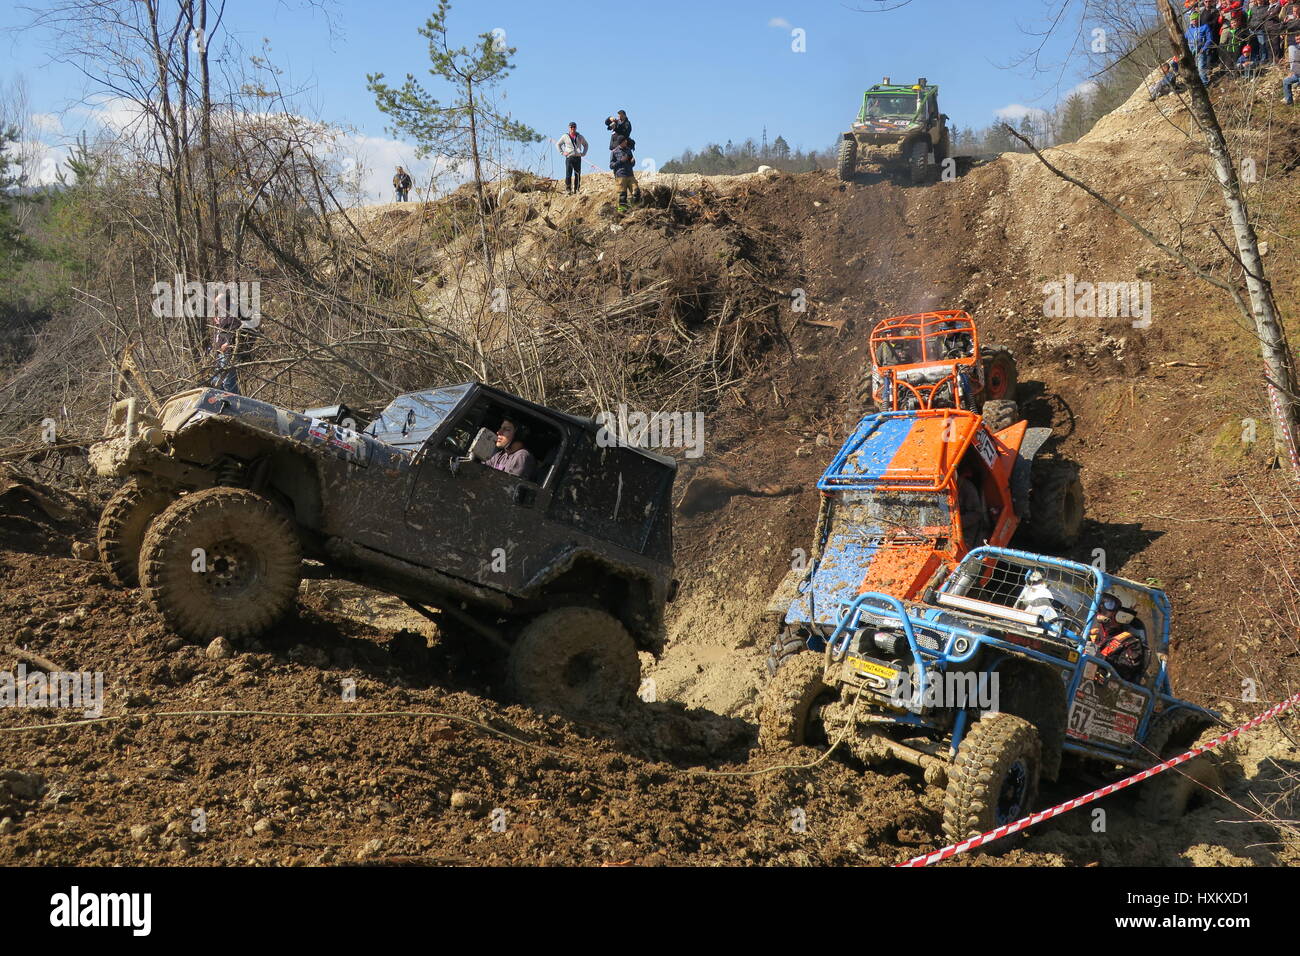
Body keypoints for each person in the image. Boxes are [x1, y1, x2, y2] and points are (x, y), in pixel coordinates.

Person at [1087, 593, 1147, 683]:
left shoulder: (1132, 643)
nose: (1101, 607)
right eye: (1101, 602)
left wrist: (1101, 658)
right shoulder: (1093, 632)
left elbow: (1127, 671)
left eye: (1109, 604)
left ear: (1123, 613)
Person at [209, 312, 240, 394]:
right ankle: (223, 402)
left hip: (228, 354)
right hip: (219, 355)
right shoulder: (220, 323)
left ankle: (237, 403)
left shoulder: (231, 317)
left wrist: (228, 343)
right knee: (216, 381)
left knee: (228, 383)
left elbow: (236, 330)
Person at [556, 121, 589, 194]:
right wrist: (562, 152)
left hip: (577, 157)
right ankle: (568, 189)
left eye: (574, 127)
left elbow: (586, 144)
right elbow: (558, 144)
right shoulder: (565, 136)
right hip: (569, 157)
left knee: (577, 174)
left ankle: (576, 189)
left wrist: (583, 153)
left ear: (576, 128)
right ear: (569, 128)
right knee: (568, 174)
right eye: (571, 127)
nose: (573, 128)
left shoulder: (580, 136)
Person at [610, 134, 640, 212]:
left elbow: (631, 162)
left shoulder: (628, 150)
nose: (626, 141)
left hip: (630, 175)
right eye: (624, 141)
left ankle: (635, 209)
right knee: (622, 196)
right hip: (620, 176)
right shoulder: (614, 152)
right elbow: (611, 165)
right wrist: (620, 161)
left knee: (636, 192)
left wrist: (633, 161)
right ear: (620, 142)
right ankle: (622, 212)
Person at [1187, 12, 1217, 83]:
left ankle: (1205, 83)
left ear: (1198, 19)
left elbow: (1209, 39)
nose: (1194, 21)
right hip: (1191, 50)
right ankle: (1196, 82)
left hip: (1201, 50)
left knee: (1201, 67)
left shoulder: (1204, 27)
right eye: (1192, 19)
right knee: (1193, 68)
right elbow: (1184, 39)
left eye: (1195, 19)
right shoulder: (1189, 30)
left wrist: (1204, 48)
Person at [1285, 33, 1300, 102]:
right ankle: (1289, 102)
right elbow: (1295, 63)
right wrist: (1292, 72)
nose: (1298, 41)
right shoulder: (1297, 49)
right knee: (1286, 81)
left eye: (1299, 39)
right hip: (1297, 74)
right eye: (1296, 40)